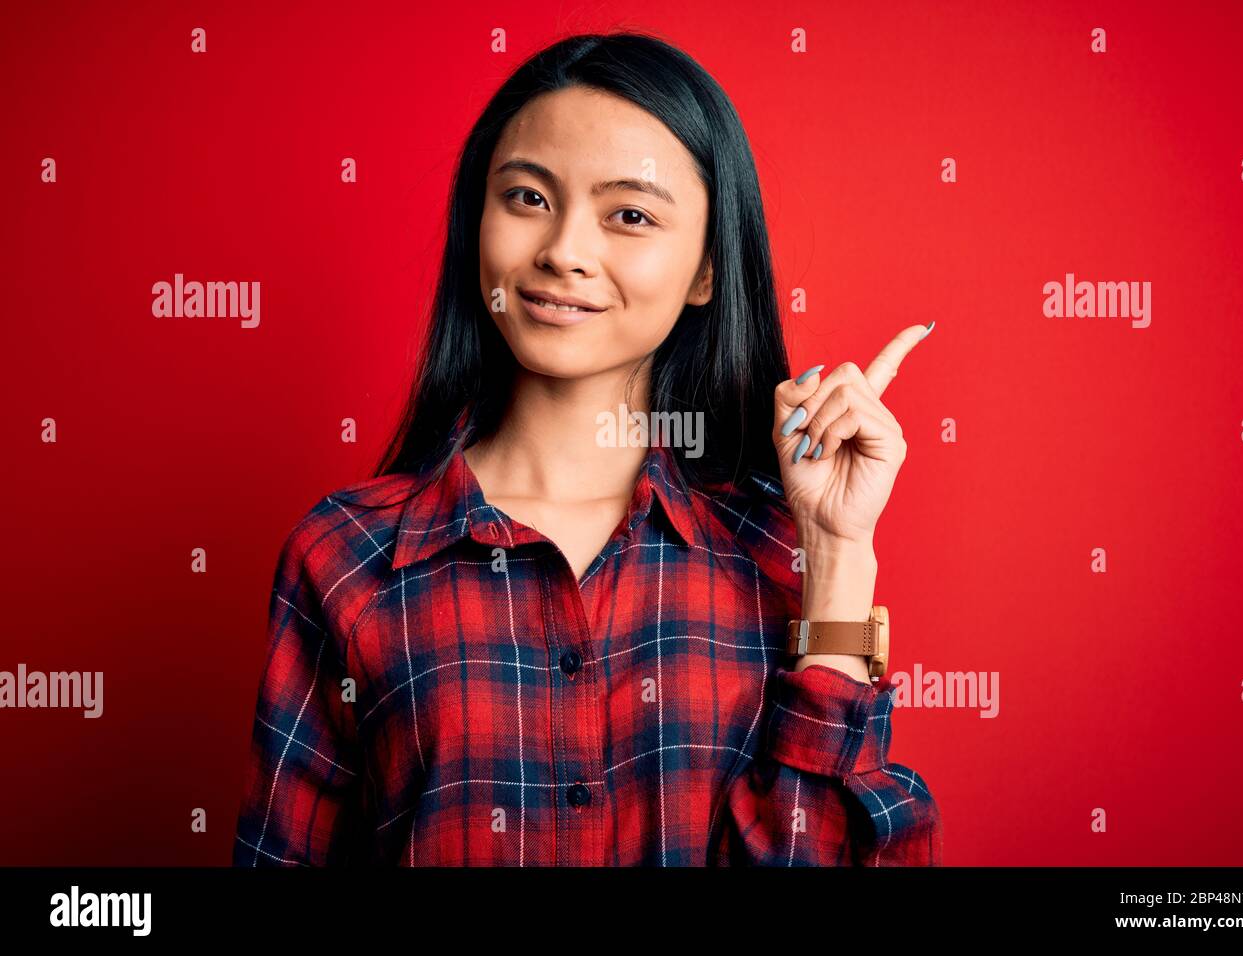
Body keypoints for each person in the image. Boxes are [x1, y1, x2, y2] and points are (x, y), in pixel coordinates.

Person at [232, 31, 941, 866]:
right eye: (527, 198)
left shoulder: (779, 552)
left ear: (707, 270)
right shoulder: (345, 559)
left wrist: (837, 555)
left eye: (630, 215)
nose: (564, 251)